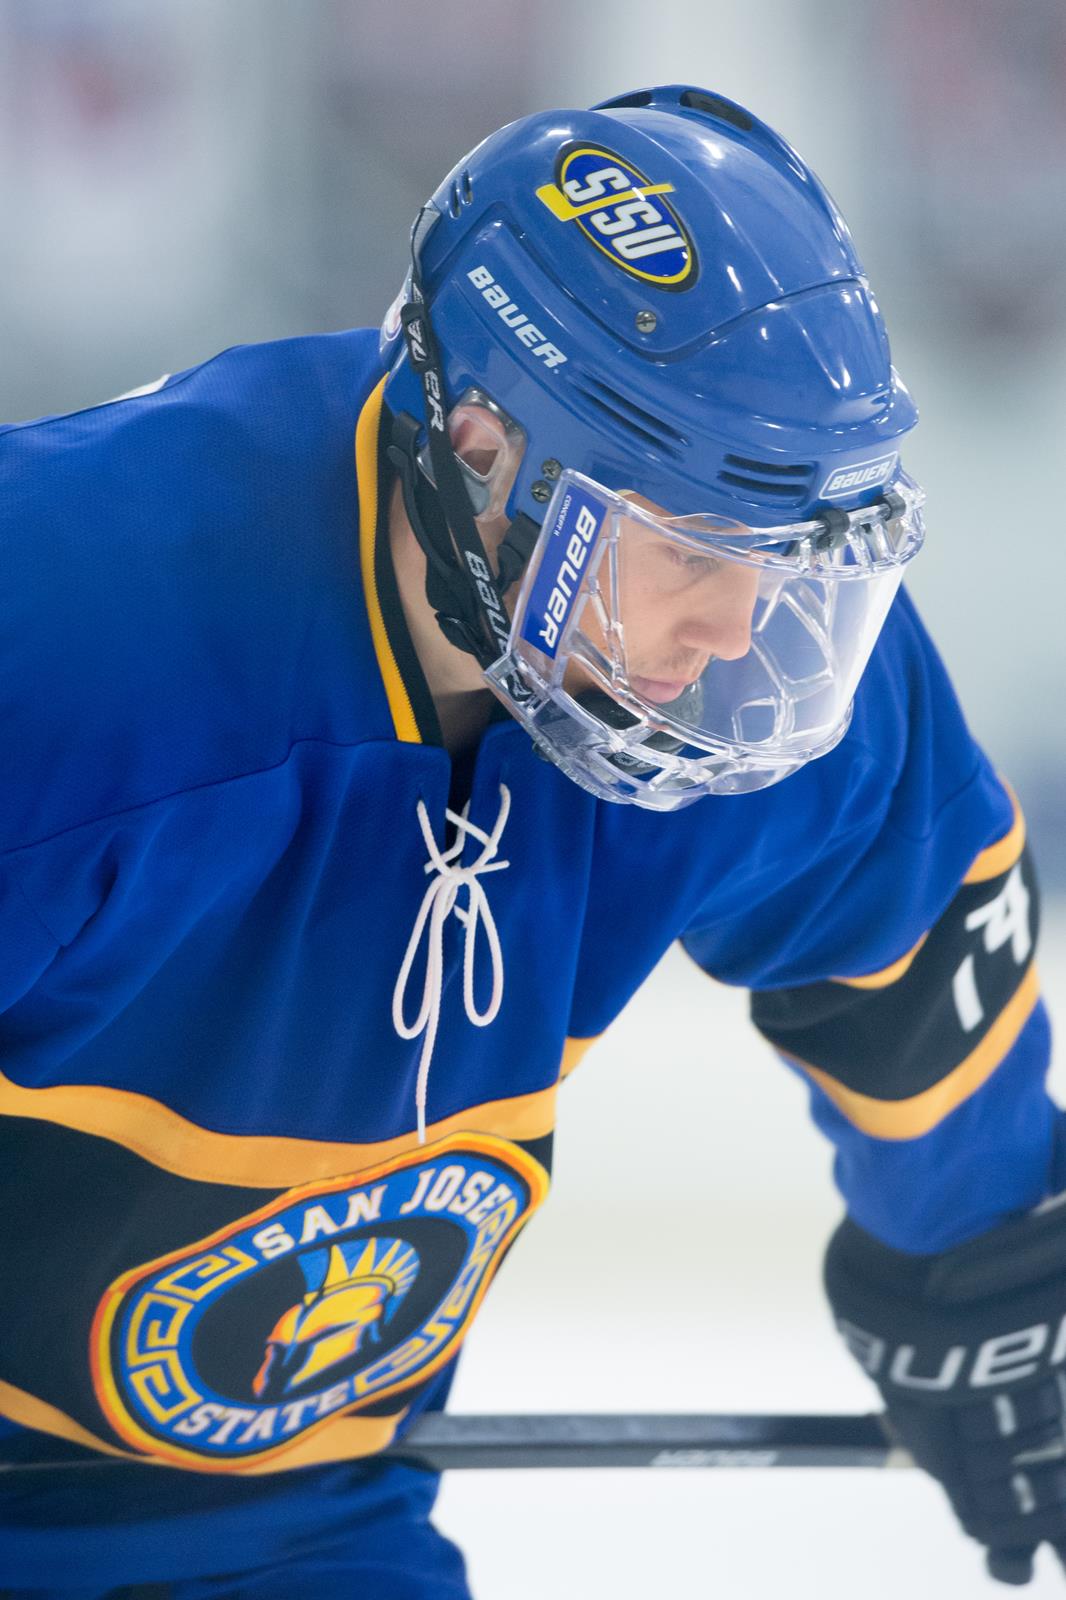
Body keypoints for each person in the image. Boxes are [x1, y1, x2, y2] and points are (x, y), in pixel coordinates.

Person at [0, 81, 1060, 1595]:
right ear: (485, 453)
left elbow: (909, 959)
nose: (739, 632)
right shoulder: (64, 633)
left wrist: (985, 1270)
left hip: (306, 1522)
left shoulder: (739, 677)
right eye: (689, 548)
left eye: (792, 562)